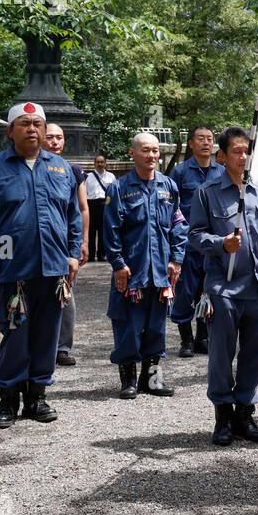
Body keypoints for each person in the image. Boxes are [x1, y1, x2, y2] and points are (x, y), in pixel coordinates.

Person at [0, 103, 82, 429]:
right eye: (24, 124)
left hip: (52, 270)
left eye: (37, 124)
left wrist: (73, 253)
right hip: (11, 270)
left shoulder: (61, 169)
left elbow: (73, 217)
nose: (32, 129)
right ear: (10, 131)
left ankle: (37, 396)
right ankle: (8, 398)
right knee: (16, 334)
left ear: (45, 130)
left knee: (47, 336)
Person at [189, 126, 258, 446]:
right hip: (225, 288)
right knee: (221, 353)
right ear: (222, 156)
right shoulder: (207, 192)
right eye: (237, 152)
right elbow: (195, 236)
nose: (243, 157)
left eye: (247, 152)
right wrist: (221, 243)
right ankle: (222, 415)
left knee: (256, 355)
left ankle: (245, 411)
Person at [104, 133, 187, 399]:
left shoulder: (169, 187)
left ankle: (151, 379)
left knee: (156, 327)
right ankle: (128, 379)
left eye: (154, 151)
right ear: (133, 153)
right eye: (145, 151)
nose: (151, 156)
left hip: (161, 272)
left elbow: (178, 226)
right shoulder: (119, 188)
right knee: (128, 325)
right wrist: (118, 264)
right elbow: (111, 230)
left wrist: (177, 259)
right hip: (132, 271)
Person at [169, 126, 225, 356]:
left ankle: (203, 335)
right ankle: (186, 340)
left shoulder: (221, 172)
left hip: (212, 243)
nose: (205, 143)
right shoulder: (180, 172)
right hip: (188, 244)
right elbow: (172, 209)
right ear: (191, 143)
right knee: (184, 291)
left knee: (208, 289)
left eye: (209, 139)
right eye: (200, 139)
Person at [45, 123, 89, 367]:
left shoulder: (72, 171)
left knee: (65, 294)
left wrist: (83, 241)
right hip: (39, 242)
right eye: (50, 137)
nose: (55, 142)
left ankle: (62, 347)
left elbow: (82, 208)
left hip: (64, 242)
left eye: (59, 137)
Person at [85, 154, 116, 261]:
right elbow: (85, 192)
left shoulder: (111, 177)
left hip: (105, 204)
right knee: (91, 231)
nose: (100, 164)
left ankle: (102, 254)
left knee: (103, 231)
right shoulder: (88, 176)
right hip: (91, 204)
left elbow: (113, 193)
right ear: (94, 163)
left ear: (105, 163)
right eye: (98, 162)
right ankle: (90, 255)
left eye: (102, 162)